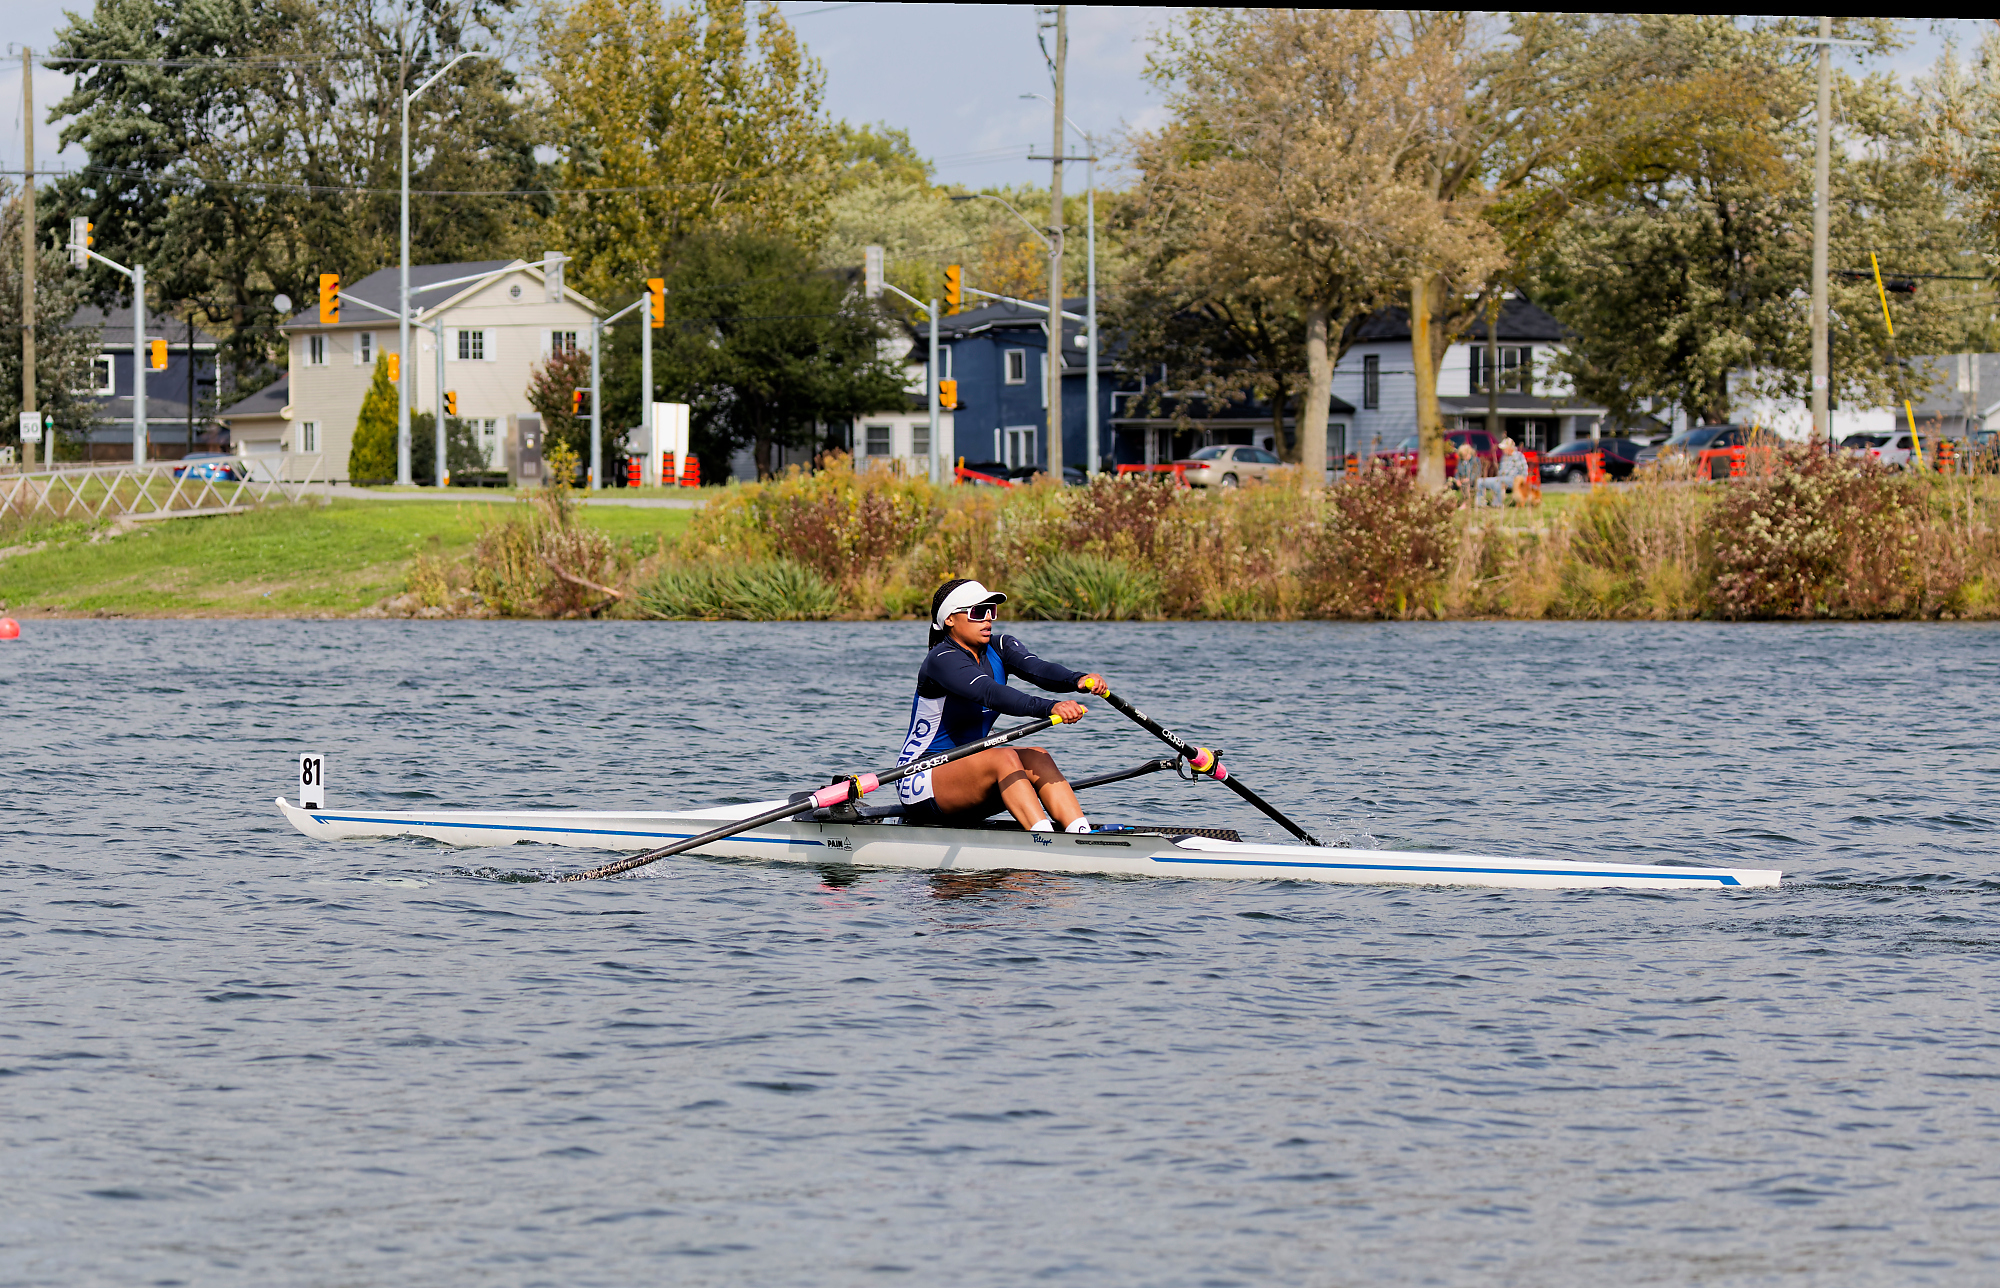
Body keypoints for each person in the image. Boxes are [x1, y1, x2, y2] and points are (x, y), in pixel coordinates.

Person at [897, 578, 1106, 833]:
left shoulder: (1001, 645)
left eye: (991, 611)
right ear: (950, 619)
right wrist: (1050, 707)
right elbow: (990, 692)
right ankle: (1043, 839)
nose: (988, 619)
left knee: (1038, 756)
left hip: (972, 771)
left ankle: (1080, 833)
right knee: (1004, 757)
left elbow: (1039, 669)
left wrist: (1078, 680)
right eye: (977, 611)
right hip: (922, 776)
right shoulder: (941, 659)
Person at [1479, 437, 1528, 507]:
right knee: (1480, 481)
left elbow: (1524, 472)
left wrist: (1521, 482)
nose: (1503, 450)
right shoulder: (1504, 457)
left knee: (1498, 481)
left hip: (1513, 480)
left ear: (1509, 447)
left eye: (1504, 448)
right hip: (1500, 478)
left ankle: (1496, 505)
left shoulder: (1518, 456)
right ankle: (1480, 504)